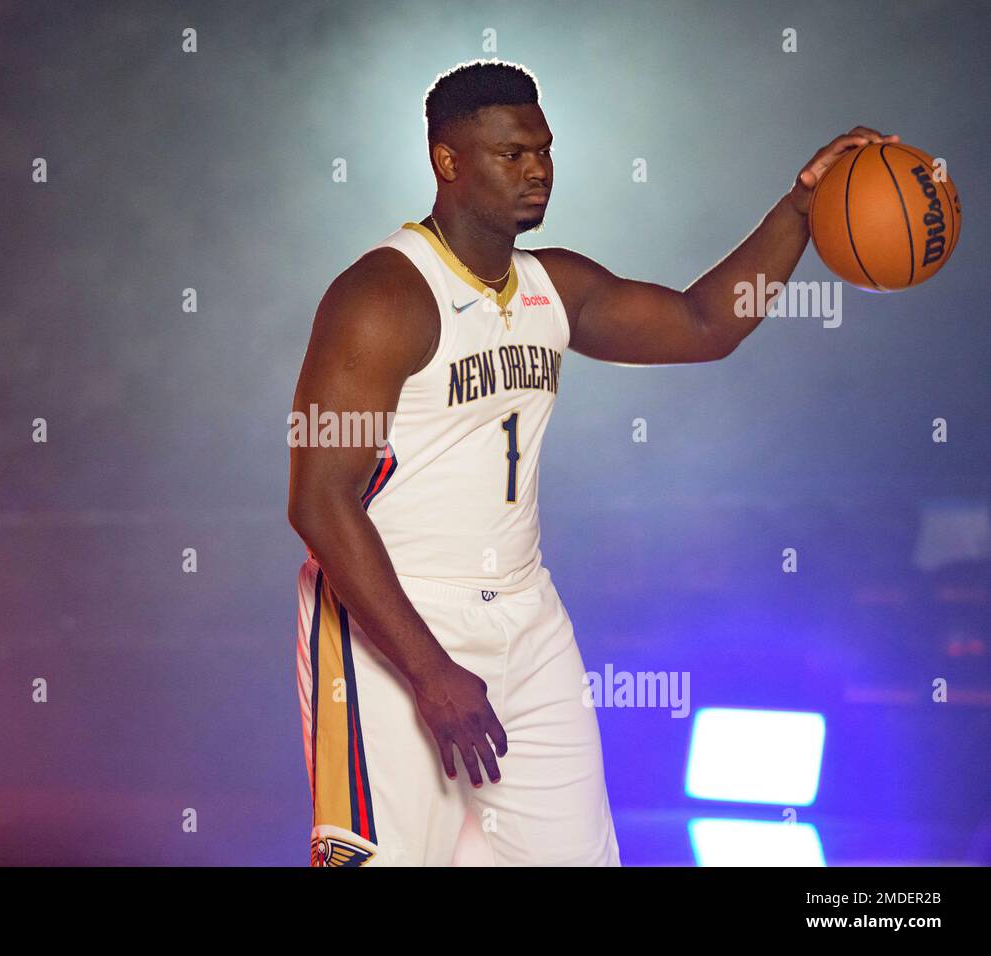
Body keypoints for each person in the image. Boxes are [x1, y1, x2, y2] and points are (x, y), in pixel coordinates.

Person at [287, 57, 897, 866]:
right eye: (512, 154)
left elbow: (706, 324)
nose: (537, 170)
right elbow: (319, 502)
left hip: (525, 613)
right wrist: (430, 670)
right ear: (448, 160)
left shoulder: (553, 286)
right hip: (393, 622)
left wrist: (802, 207)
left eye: (544, 150)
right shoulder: (382, 297)